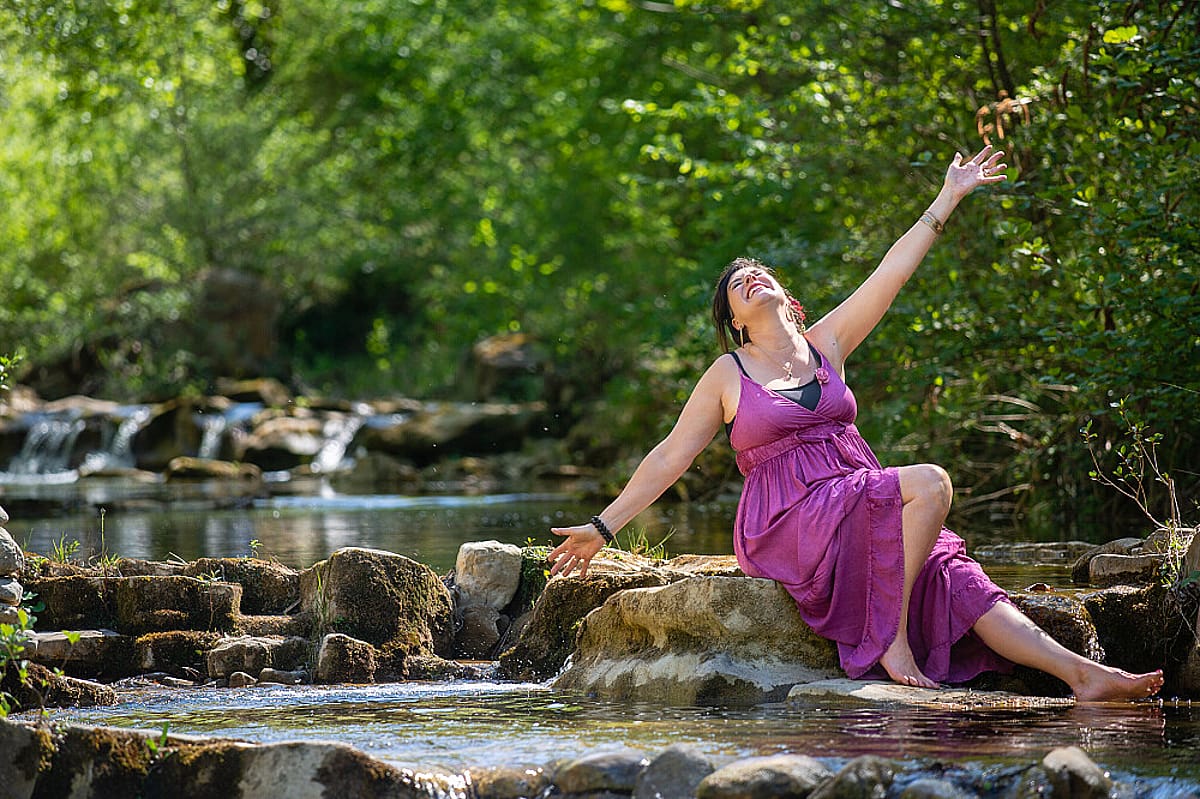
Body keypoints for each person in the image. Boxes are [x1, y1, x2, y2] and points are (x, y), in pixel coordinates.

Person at [548, 145, 1164, 702]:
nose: (752, 278)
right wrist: (605, 526)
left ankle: (1083, 676)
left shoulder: (828, 345)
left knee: (952, 575)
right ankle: (888, 639)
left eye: (760, 273)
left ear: (788, 297)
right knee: (931, 482)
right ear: (735, 318)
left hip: (857, 494)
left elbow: (890, 274)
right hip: (790, 517)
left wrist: (947, 196)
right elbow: (670, 455)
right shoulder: (728, 373)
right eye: (739, 284)